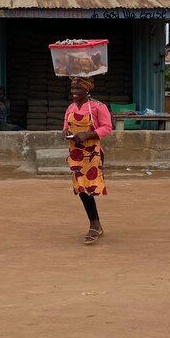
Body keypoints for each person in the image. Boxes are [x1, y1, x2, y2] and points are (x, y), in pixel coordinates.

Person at [63, 76, 112, 244]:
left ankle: (95, 226)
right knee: (81, 190)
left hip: (92, 154)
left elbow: (107, 128)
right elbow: (66, 127)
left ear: (87, 89)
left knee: (88, 189)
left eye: (78, 89)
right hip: (75, 153)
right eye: (73, 88)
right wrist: (65, 133)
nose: (74, 92)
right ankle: (95, 225)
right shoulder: (70, 108)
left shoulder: (98, 107)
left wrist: (86, 135)